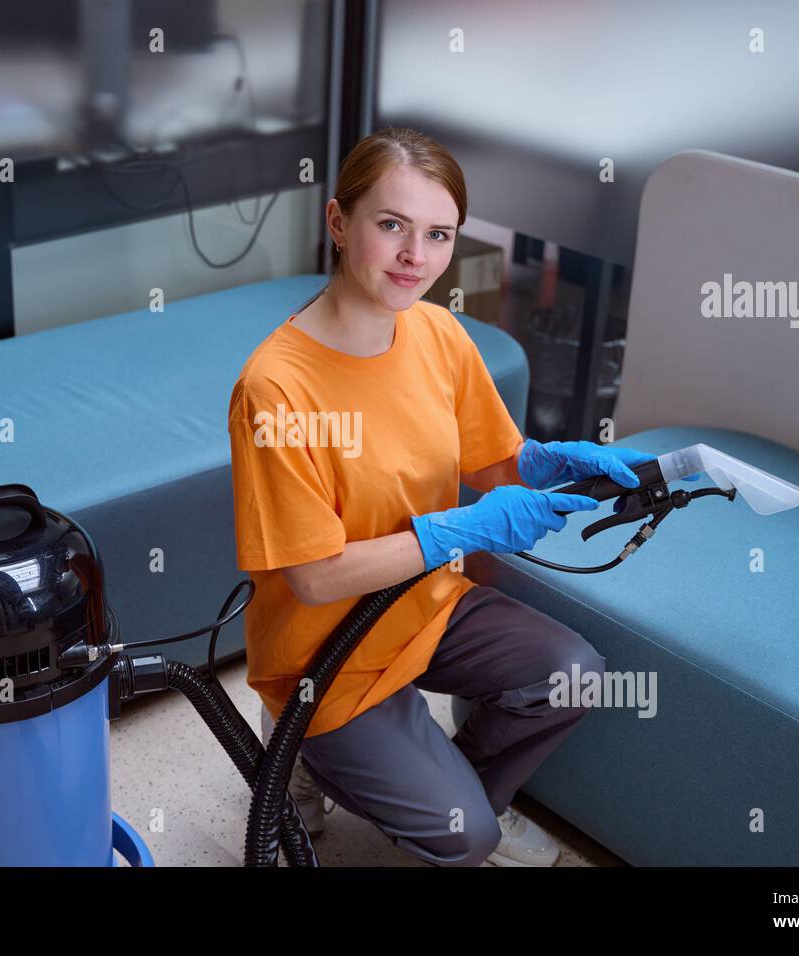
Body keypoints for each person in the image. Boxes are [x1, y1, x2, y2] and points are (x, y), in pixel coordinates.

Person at [227, 126, 657, 867]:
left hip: (426, 606)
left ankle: (465, 799)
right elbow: (314, 576)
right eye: (390, 224)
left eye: (438, 235)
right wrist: (462, 530)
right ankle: (301, 749)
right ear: (337, 222)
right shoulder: (276, 387)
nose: (414, 258)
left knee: (573, 673)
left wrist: (554, 462)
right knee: (464, 839)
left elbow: (498, 468)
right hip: (325, 654)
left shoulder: (437, 335)